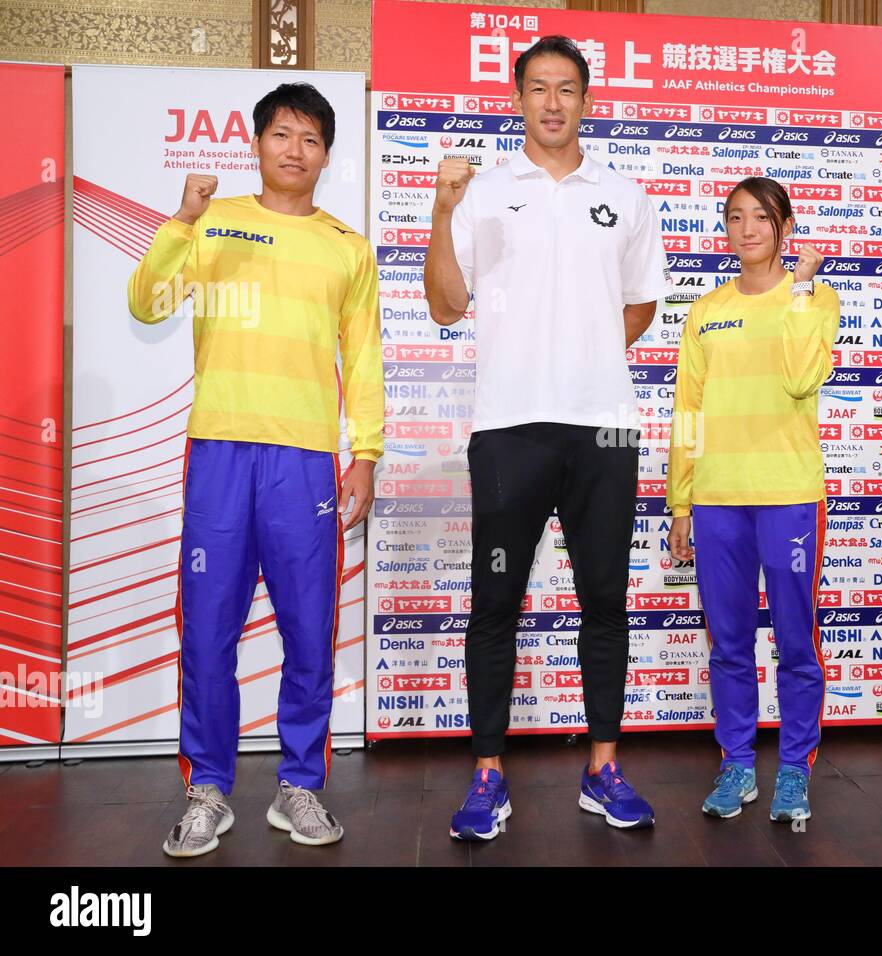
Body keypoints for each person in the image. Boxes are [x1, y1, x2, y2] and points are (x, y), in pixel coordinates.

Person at [423, 36, 674, 841]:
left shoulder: (626, 195)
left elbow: (641, 305)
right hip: (508, 430)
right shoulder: (483, 192)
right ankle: (488, 777)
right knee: (495, 603)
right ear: (518, 97)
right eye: (539, 88)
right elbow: (441, 303)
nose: (554, 102)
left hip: (604, 429)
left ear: (587, 99)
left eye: (568, 88)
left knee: (605, 600)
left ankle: (603, 767)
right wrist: (439, 210)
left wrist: (585, 348)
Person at [127, 83, 382, 857]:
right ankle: (208, 786)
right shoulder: (216, 222)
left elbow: (363, 362)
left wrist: (363, 454)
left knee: (309, 631)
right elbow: (147, 304)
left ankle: (299, 786)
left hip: (305, 462)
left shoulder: (348, 246)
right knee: (208, 629)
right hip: (220, 454)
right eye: (281, 134)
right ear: (258, 143)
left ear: (326, 156)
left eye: (310, 138)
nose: (295, 149)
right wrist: (179, 223)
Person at [666, 177, 840, 822]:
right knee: (730, 642)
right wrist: (680, 501)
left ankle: (794, 769)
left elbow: (800, 376)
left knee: (796, 640)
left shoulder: (816, 299)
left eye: (760, 218)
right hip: (717, 500)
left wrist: (800, 287)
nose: (746, 230)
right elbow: (688, 409)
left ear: (784, 226)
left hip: (788, 495)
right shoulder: (707, 309)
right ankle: (736, 764)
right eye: (734, 217)